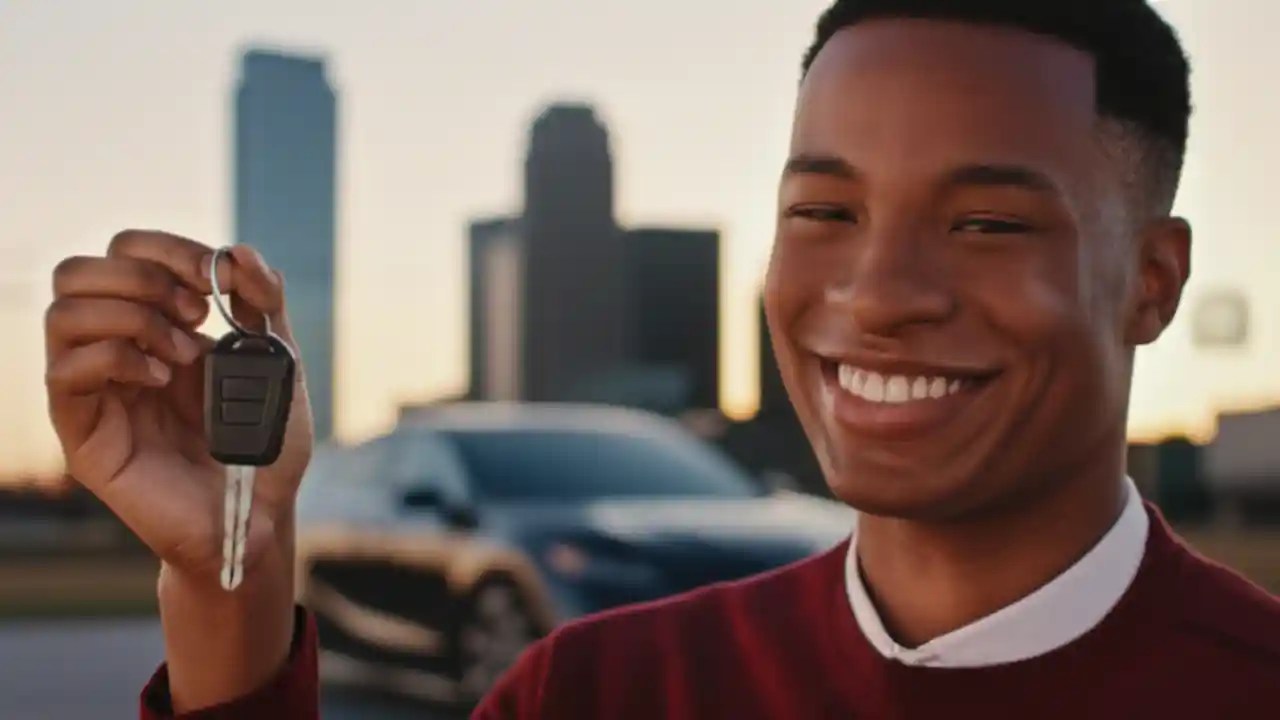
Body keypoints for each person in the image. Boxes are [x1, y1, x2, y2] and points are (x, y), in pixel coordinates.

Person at [43, 1, 1280, 718]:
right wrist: (230, 570)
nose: (878, 295)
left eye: (987, 223)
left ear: (1150, 282)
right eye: (823, 214)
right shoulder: (597, 691)